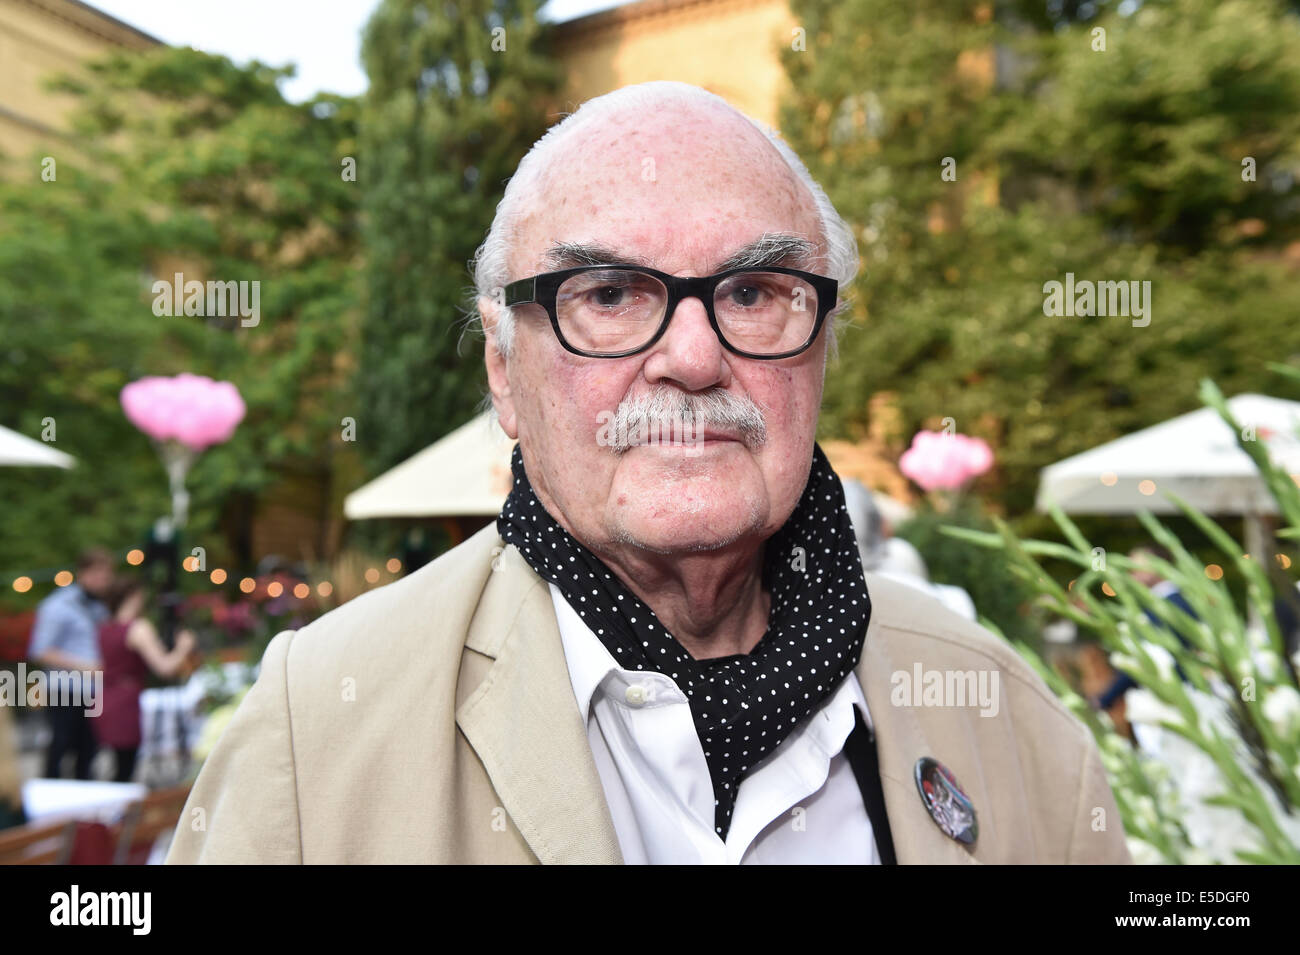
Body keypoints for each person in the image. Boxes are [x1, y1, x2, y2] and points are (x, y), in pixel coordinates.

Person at [168, 82, 1129, 864]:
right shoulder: (322, 721)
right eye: (612, 294)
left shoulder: (1002, 709)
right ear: (505, 372)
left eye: (753, 292)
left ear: (824, 347)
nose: (694, 357)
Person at [92, 580, 196, 783]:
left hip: (104, 698)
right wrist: (184, 646)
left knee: (118, 763)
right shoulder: (138, 628)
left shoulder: (104, 629)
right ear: (134, 596)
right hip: (126, 702)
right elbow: (164, 667)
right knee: (125, 767)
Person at [27, 548, 113, 780]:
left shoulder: (100, 608)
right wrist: (83, 666)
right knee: (60, 747)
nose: (105, 581)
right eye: (101, 575)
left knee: (88, 751)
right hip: (65, 688)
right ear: (85, 573)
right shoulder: (57, 605)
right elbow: (40, 650)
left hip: (93, 690)